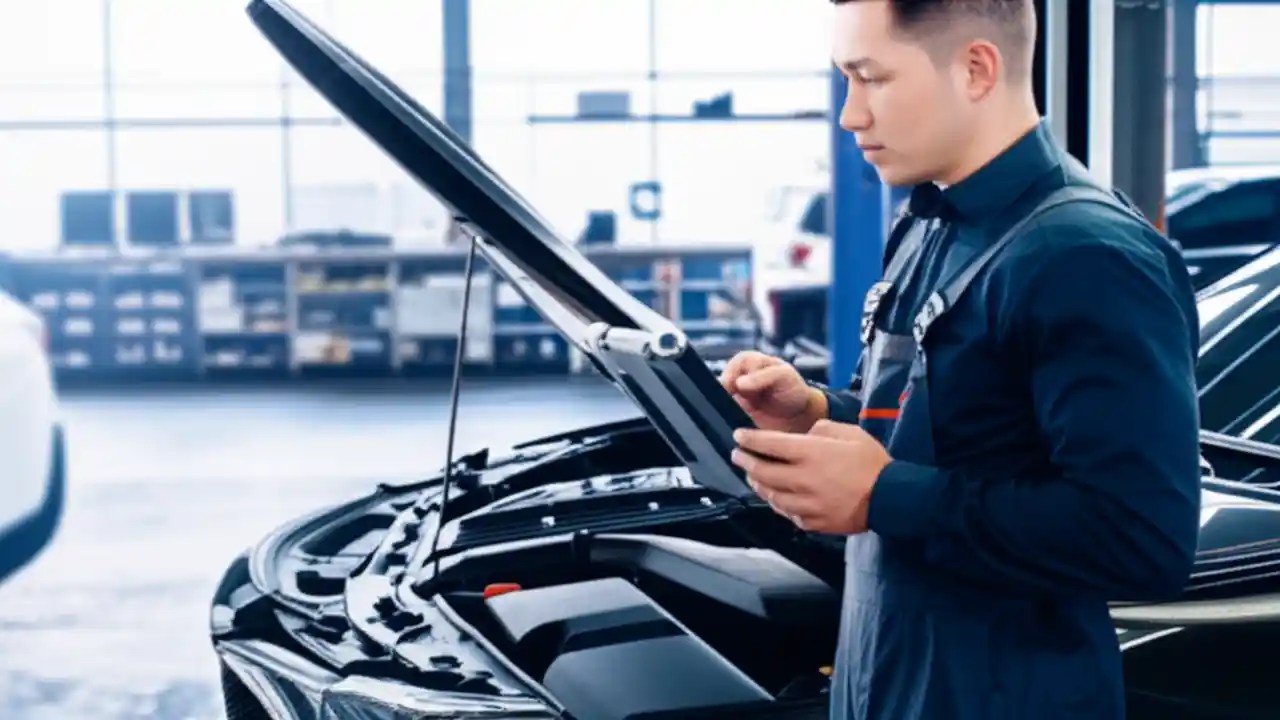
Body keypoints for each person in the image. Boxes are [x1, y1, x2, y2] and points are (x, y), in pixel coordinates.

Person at [720, 1, 1202, 719]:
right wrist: (818, 411)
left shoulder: (1086, 256)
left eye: (870, 78)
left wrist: (885, 496)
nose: (850, 115)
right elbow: (934, 428)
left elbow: (1142, 537)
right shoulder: (930, 223)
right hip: (886, 682)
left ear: (977, 68)